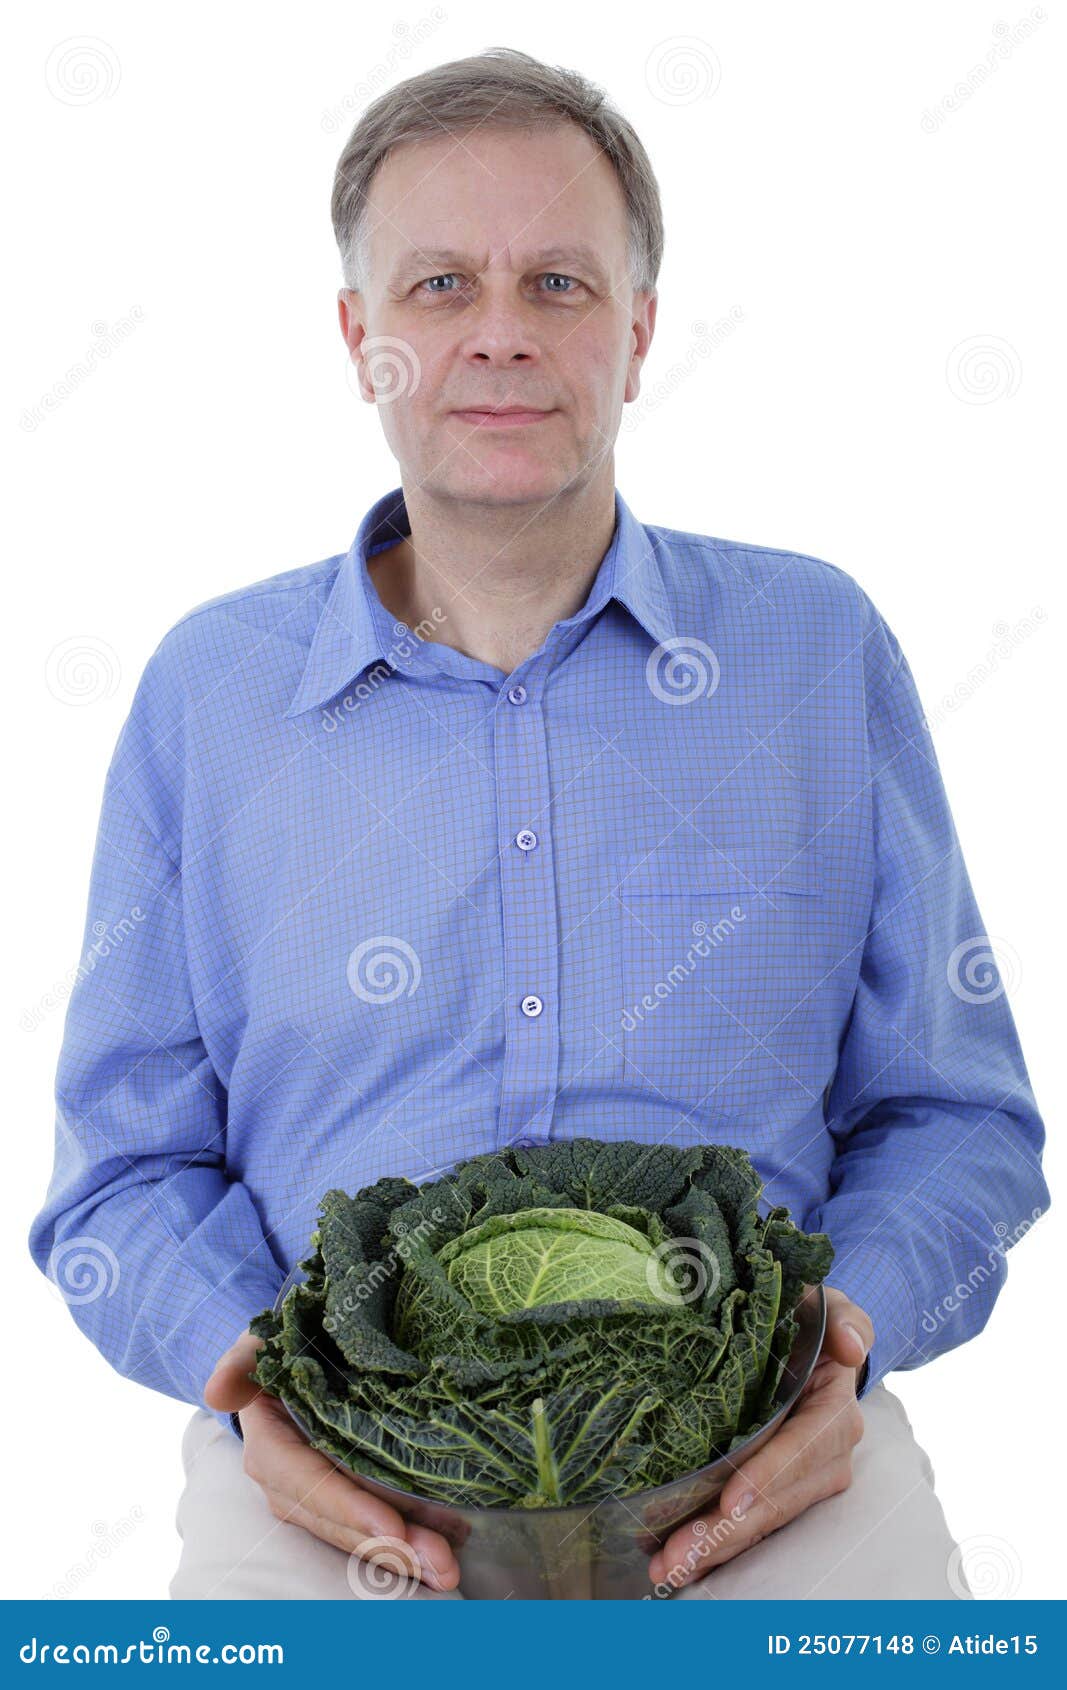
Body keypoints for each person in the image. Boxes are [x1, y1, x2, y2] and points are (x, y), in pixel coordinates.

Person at [29, 47, 1047, 1601]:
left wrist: (846, 1339)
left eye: (559, 284)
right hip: (329, 1478)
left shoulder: (815, 652)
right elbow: (121, 1173)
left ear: (640, 334)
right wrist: (252, 1379)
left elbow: (960, 1120)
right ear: (359, 339)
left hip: (766, 1462)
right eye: (439, 286)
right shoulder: (208, 697)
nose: (500, 334)